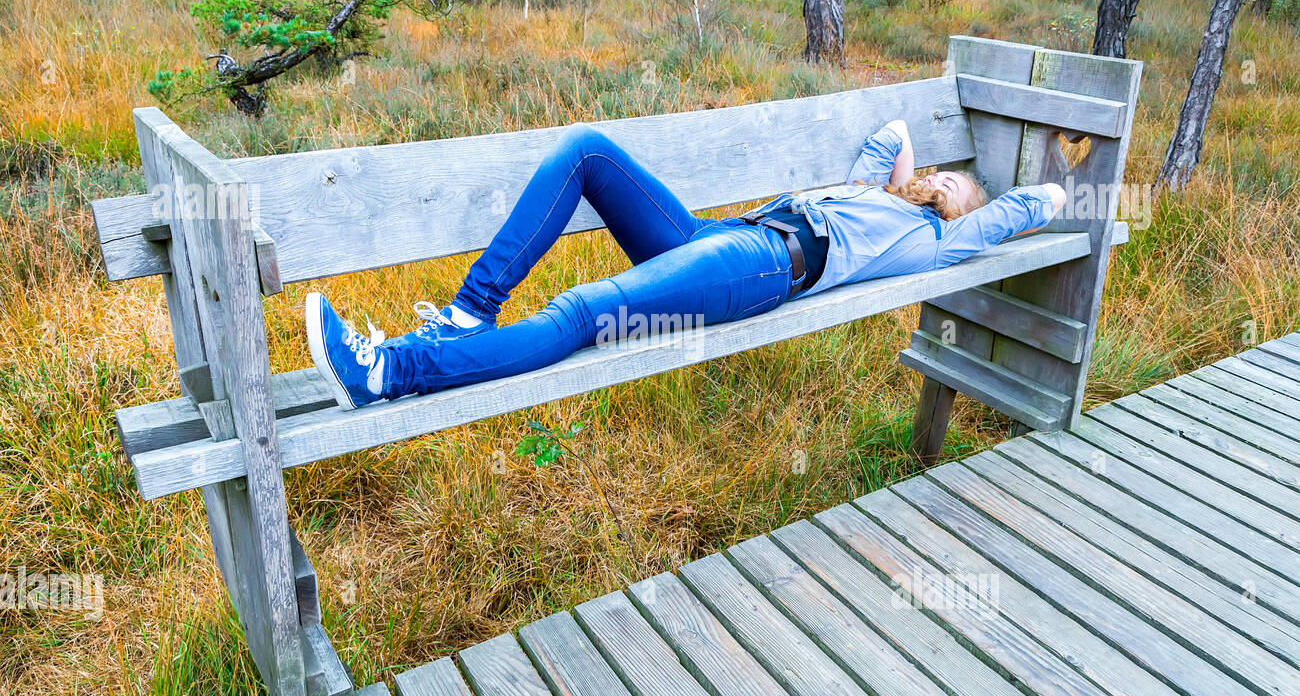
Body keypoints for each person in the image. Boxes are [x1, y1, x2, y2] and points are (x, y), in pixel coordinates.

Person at [306, 119, 1066, 409]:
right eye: (942, 172)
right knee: (587, 150)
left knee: (581, 313)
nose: (940, 177)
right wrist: (916, 174)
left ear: (957, 210)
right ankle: (472, 310)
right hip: (721, 235)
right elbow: (892, 134)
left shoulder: (929, 241)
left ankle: (388, 374)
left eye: (952, 185)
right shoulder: (880, 196)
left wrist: (1038, 198)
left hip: (763, 266)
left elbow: (999, 217)